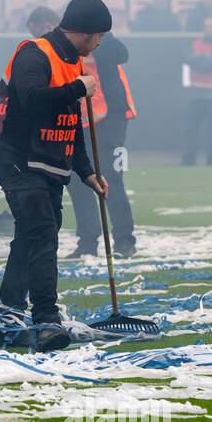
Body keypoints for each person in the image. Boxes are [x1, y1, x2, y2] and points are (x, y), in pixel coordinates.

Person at [0, 0, 111, 352]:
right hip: (19, 161)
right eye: (99, 35)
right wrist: (77, 88)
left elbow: (70, 124)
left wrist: (87, 172)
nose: (100, 43)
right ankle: (45, 320)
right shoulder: (35, 53)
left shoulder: (71, 61)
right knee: (42, 231)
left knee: (32, 234)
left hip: (49, 163)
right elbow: (30, 98)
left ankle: (8, 311)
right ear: (86, 32)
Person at [0, 5, 57, 238]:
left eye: (36, 32)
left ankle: (26, 222)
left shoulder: (39, 52)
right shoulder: (37, 54)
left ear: (47, 26)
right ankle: (24, 222)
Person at [66, 32, 136, 259]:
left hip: (111, 117)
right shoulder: (58, 46)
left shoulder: (101, 38)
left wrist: (99, 32)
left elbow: (121, 54)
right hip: (81, 119)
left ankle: (124, 241)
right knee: (78, 180)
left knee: (109, 176)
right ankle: (87, 242)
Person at [181, 17, 212, 166]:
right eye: (207, 26)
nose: (209, 29)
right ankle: (188, 159)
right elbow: (187, 58)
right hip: (196, 92)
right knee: (191, 130)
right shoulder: (195, 43)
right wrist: (207, 59)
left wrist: (199, 59)